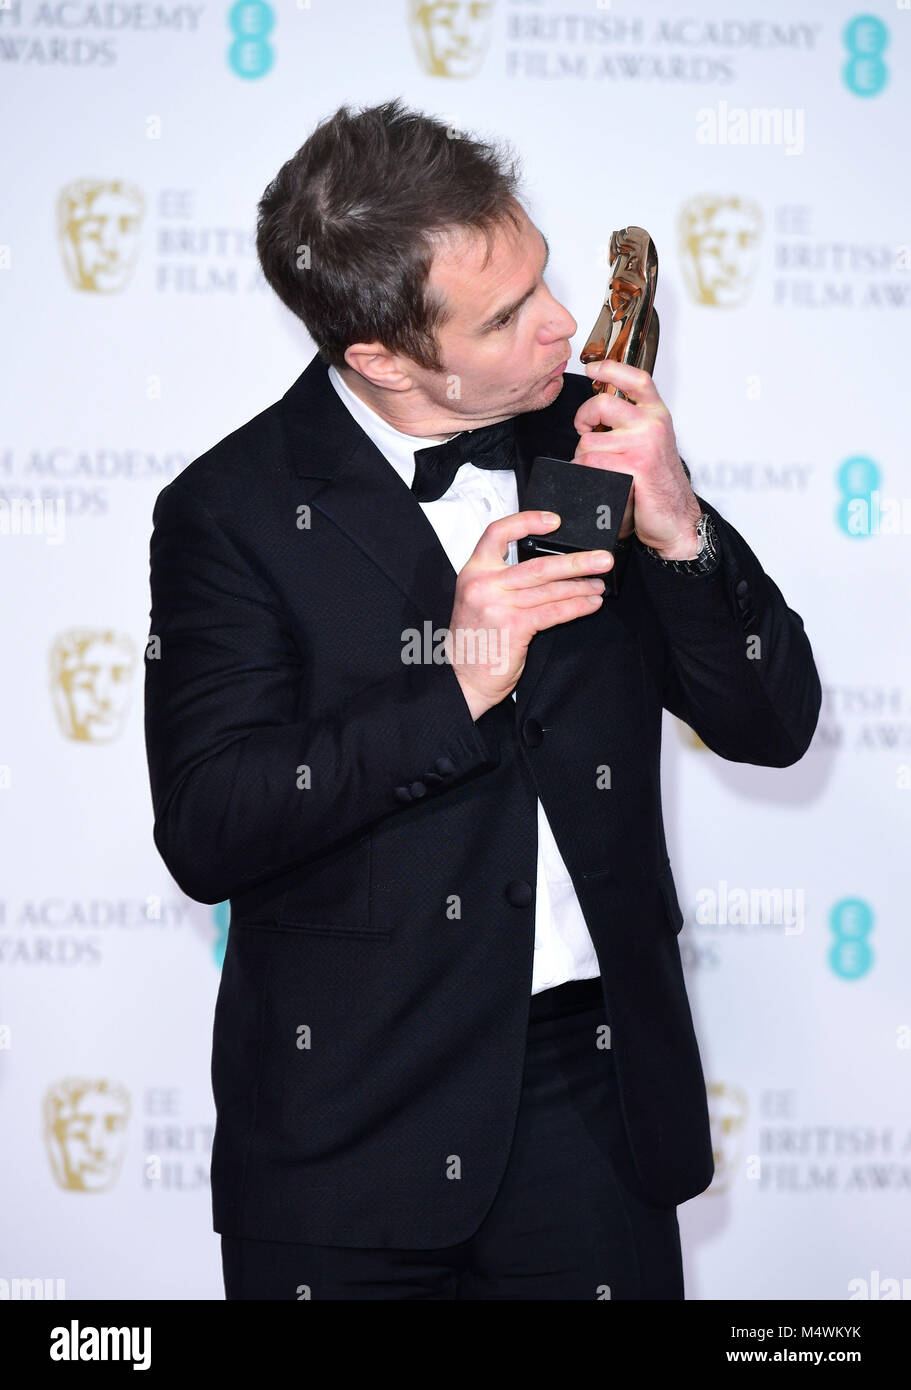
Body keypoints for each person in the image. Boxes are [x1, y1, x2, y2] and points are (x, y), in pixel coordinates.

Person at [143, 98, 821, 1300]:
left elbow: (771, 727)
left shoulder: (596, 438)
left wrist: (682, 532)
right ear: (382, 358)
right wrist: (450, 689)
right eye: (506, 316)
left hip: (592, 1100)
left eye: (541, 276)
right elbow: (208, 826)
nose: (563, 325)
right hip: (348, 1134)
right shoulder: (231, 510)